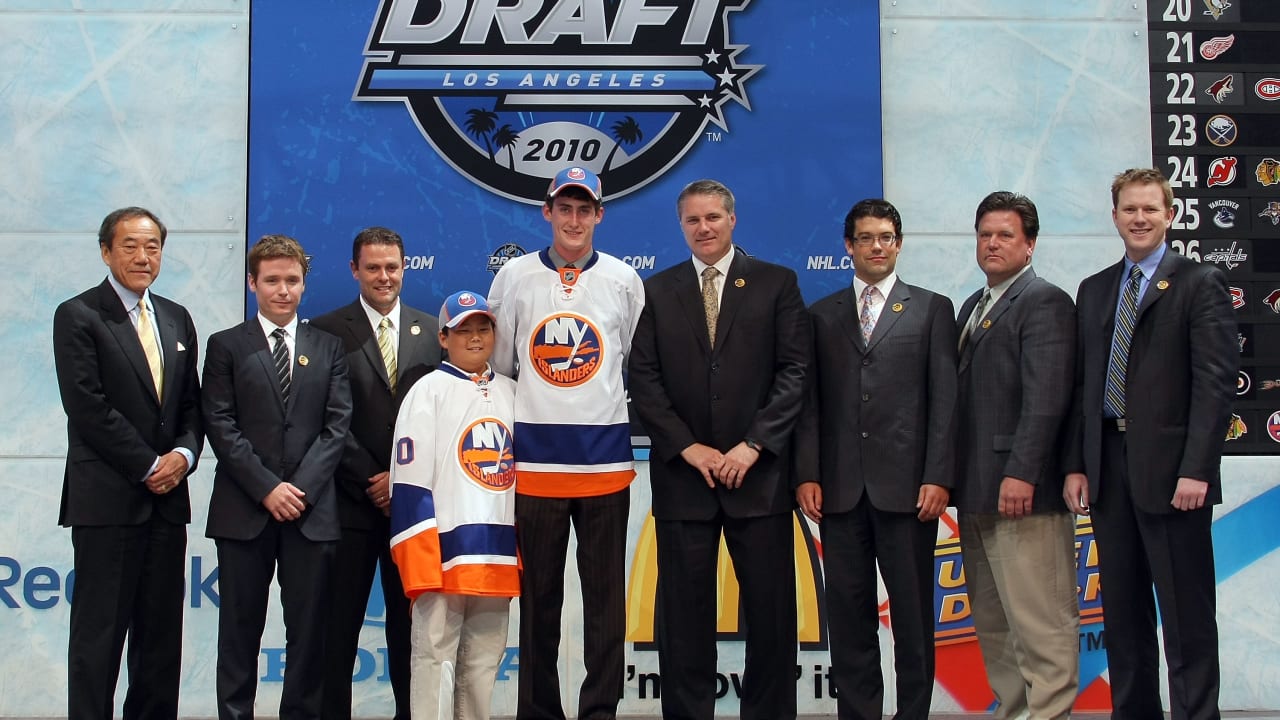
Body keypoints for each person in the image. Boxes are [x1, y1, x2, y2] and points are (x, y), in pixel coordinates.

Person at [628, 179, 808, 720]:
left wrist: (752, 446)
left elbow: (795, 373)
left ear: (733, 220)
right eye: (692, 220)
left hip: (759, 480)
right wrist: (690, 449)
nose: (703, 228)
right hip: (686, 482)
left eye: (713, 217)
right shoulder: (658, 291)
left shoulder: (777, 284)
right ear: (680, 225)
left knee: (772, 616)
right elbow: (644, 378)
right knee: (683, 621)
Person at [1064, 168, 1236, 720]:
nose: (1140, 219)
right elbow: (1083, 388)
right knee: (1122, 615)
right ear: (1114, 216)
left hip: (1174, 476)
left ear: (1170, 216)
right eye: (1130, 210)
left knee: (1185, 616)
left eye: (1150, 210)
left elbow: (1213, 386)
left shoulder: (1198, 282)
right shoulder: (1093, 290)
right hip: (1109, 472)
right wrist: (1078, 465)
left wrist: (1198, 470)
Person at [487, 166, 644, 720]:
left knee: (606, 604)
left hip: (604, 470)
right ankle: (538, 711)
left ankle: (600, 709)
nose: (574, 219)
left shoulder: (625, 279)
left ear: (599, 214)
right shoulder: (514, 277)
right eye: (564, 208)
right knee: (538, 606)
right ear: (547, 212)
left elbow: (632, 369)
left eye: (585, 209)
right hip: (532, 471)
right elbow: (501, 369)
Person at [795, 198, 957, 720]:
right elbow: (810, 405)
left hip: (910, 492)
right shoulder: (821, 316)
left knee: (912, 619)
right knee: (849, 616)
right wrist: (808, 475)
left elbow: (945, 402)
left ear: (899, 243)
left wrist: (938, 476)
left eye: (886, 236)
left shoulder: (932, 309)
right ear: (849, 247)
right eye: (866, 237)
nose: (877, 246)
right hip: (840, 493)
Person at [53, 207, 203, 720]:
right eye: (131, 246)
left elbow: (190, 406)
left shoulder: (177, 317)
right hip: (108, 504)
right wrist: (147, 465)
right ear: (106, 251)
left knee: (160, 645)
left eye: (153, 246)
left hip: (167, 508)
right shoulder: (78, 315)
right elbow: (87, 406)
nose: (143, 257)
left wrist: (183, 456)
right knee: (98, 643)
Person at [202, 234, 353, 720]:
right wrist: (268, 488)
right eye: (272, 280)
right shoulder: (225, 346)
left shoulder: (329, 348)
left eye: (292, 280)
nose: (282, 290)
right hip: (245, 511)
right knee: (239, 631)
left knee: (309, 635)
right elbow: (220, 425)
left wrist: (299, 491)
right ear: (252, 283)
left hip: (311, 516)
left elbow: (337, 427)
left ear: (305, 285)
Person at [954, 192, 1079, 720]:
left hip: (1023, 494)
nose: (992, 243)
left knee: (1041, 626)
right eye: (985, 234)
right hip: (977, 491)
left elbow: (1047, 396)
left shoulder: (1044, 301)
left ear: (1029, 244)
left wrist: (1022, 472)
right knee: (997, 627)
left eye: (1005, 234)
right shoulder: (973, 305)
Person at [311, 227, 441, 720]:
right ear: (354, 271)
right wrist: (372, 476)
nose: (383, 277)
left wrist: (401, 478)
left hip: (412, 512)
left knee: (411, 634)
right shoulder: (324, 331)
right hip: (346, 506)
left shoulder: (434, 332)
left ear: (405, 268)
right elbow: (322, 417)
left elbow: (442, 419)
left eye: (392, 267)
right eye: (373, 268)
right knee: (337, 631)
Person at [389, 290, 519, 720]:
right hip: (443, 557)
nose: (476, 337)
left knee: (483, 664)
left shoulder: (513, 393)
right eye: (464, 329)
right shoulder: (427, 391)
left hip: (497, 556)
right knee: (434, 660)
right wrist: (419, 561)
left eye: (484, 327)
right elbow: (408, 483)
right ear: (444, 337)